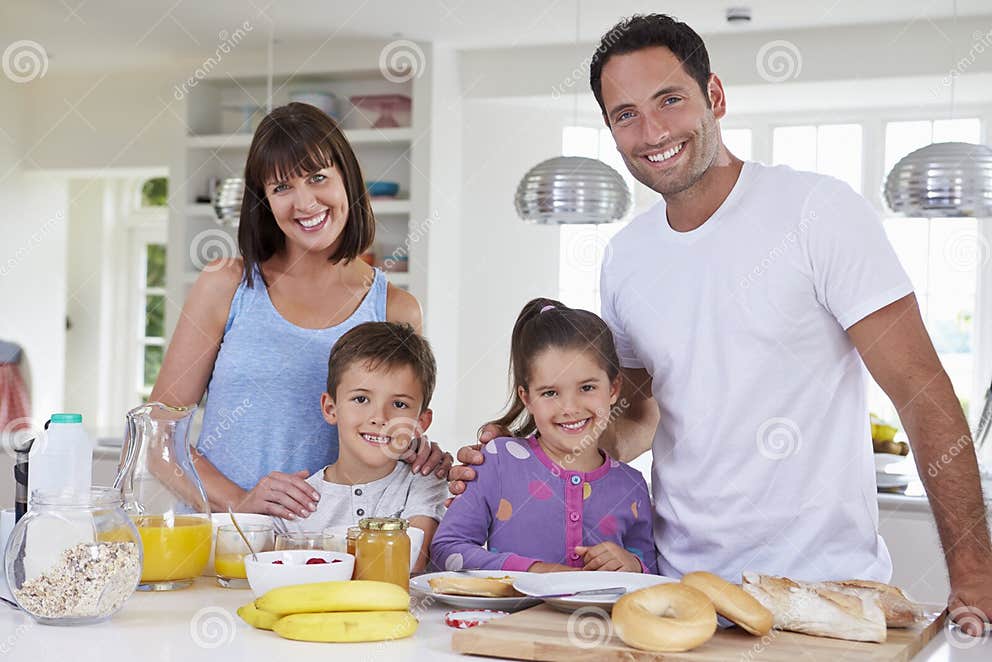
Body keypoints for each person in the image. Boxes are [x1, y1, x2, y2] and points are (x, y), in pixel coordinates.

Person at [448, 14, 992, 633]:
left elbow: (921, 390)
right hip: (680, 590)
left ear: (715, 97)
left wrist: (975, 574)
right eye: (625, 114)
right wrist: (526, 456)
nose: (651, 130)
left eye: (670, 100)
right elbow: (635, 417)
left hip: (825, 591)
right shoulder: (626, 257)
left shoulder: (818, 211)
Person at [150, 102, 451, 521]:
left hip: (334, 548)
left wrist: (416, 451)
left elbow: (382, 433)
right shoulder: (226, 285)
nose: (305, 202)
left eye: (317, 177)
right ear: (264, 202)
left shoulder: (396, 310)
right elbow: (157, 439)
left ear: (347, 179)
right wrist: (239, 502)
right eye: (281, 188)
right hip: (225, 546)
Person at [431, 298, 656, 573]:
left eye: (587, 387)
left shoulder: (632, 486)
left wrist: (633, 565)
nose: (570, 408)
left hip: (598, 618)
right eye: (550, 393)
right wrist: (537, 571)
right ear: (527, 398)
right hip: (510, 618)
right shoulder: (498, 461)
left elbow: (652, 580)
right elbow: (448, 549)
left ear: (613, 389)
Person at [279, 321, 445, 572]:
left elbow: (408, 561)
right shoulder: (298, 502)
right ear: (330, 409)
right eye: (361, 399)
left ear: (420, 422)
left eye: (399, 404)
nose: (379, 417)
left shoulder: (424, 482)